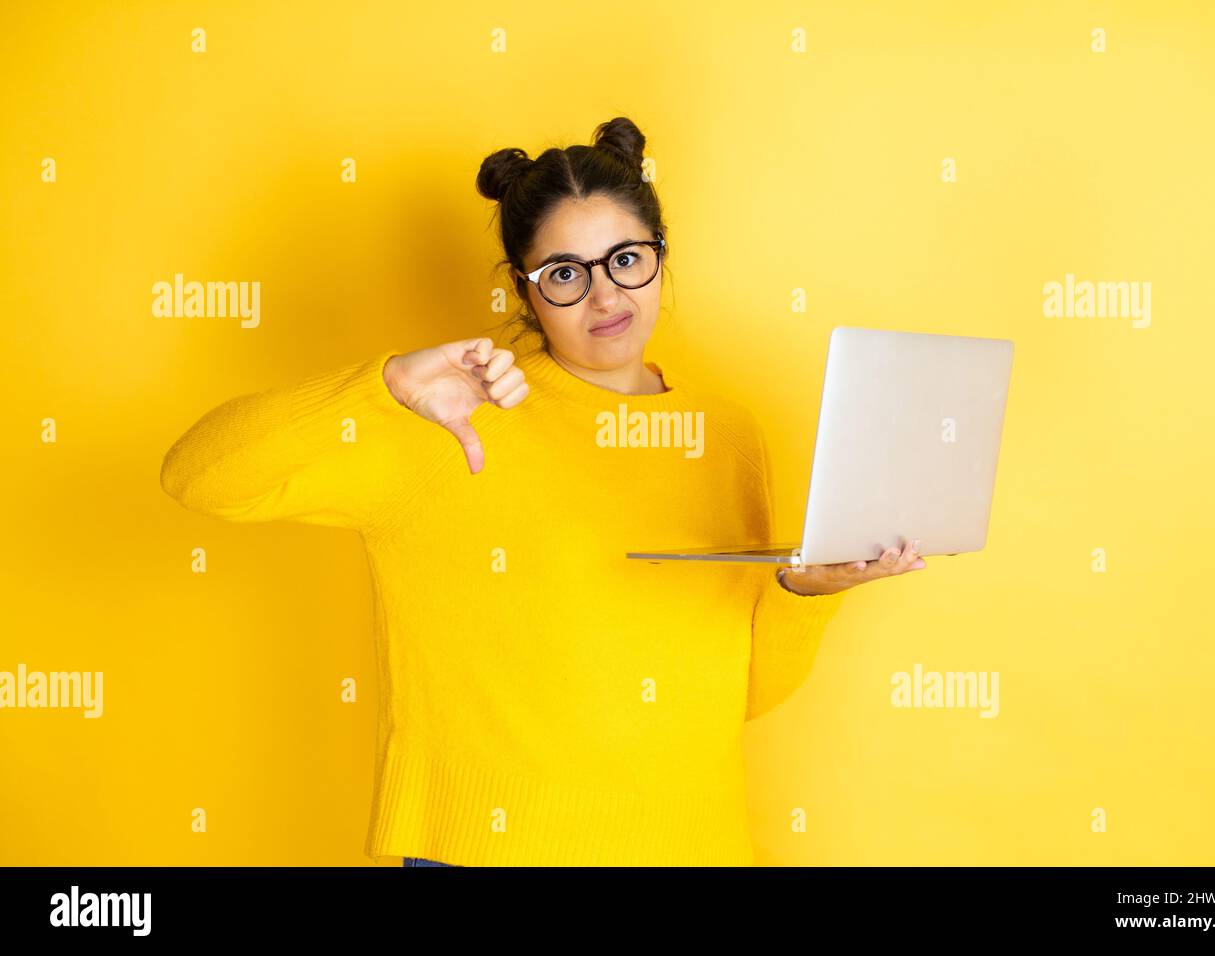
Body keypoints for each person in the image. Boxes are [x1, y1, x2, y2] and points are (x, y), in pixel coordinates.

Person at [159, 116, 925, 867]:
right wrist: (385, 386)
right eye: (565, 274)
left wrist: (808, 591)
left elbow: (739, 697)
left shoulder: (726, 435)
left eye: (626, 258)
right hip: (492, 853)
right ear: (526, 292)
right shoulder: (456, 417)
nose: (604, 296)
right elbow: (199, 476)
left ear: (660, 257)